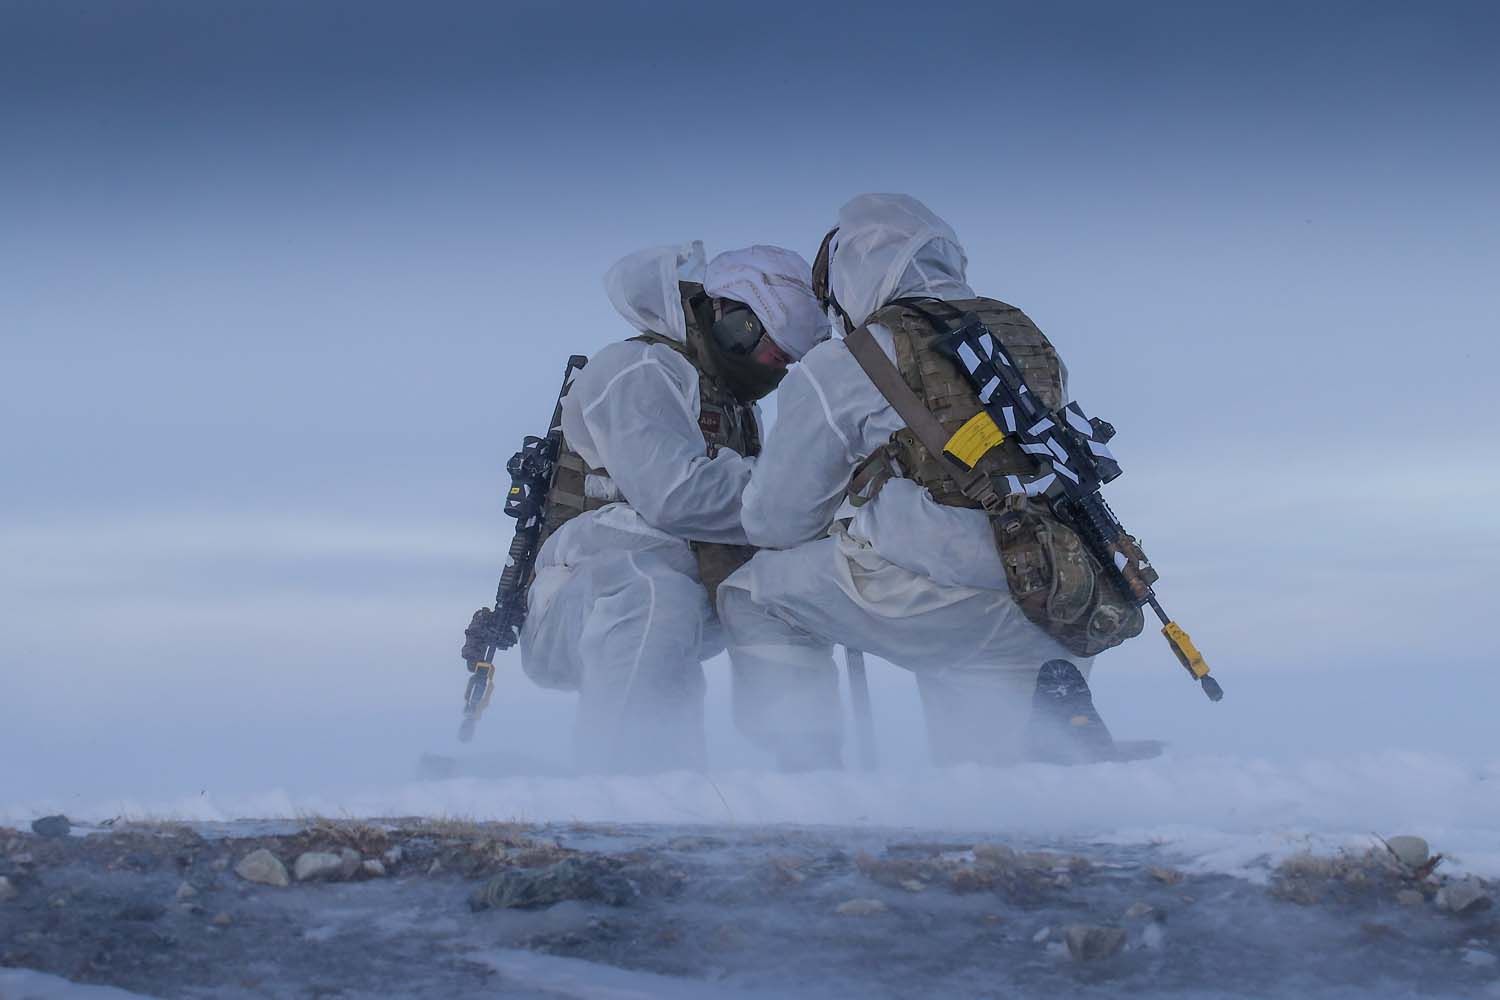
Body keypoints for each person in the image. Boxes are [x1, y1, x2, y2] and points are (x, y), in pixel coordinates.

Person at [718, 194, 1129, 771]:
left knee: (756, 593)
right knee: (989, 782)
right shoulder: (1025, 334)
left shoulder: (849, 361)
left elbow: (775, 523)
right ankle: (1057, 720)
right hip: (1058, 594)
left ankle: (804, 767)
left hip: (937, 600)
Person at [517, 241, 828, 773]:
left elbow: (753, 511)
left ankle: (809, 760)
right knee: (651, 591)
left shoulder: (730, 402)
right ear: (736, 322)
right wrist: (806, 486)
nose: (776, 373)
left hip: (685, 588)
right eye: (775, 356)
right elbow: (676, 496)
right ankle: (626, 789)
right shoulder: (638, 370)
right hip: (582, 597)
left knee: (789, 587)